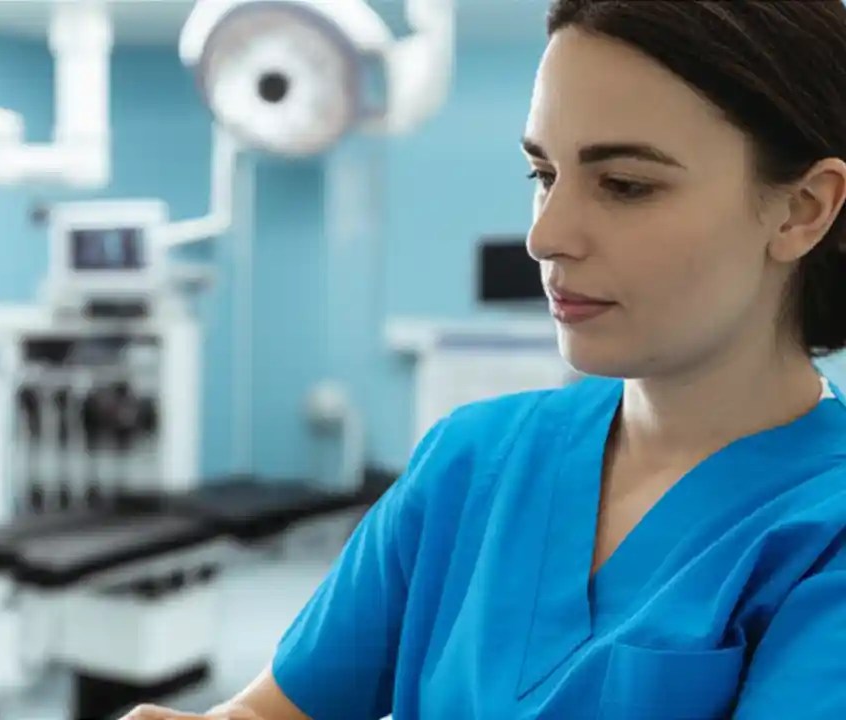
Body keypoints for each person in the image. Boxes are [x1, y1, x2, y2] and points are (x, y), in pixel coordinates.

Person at [123, 1, 846, 718]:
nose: (546, 236)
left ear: (802, 209)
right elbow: (271, 713)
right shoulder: (473, 461)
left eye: (625, 185)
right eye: (542, 175)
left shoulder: (824, 532)